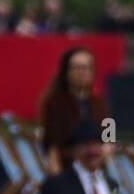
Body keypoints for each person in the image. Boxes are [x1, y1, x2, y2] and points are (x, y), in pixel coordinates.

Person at [39, 46, 109, 174]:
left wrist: (101, 154)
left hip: (97, 170)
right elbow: (52, 146)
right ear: (66, 72)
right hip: (68, 170)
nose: (82, 72)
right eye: (77, 68)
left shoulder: (100, 104)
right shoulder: (54, 104)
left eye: (86, 68)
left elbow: (110, 138)